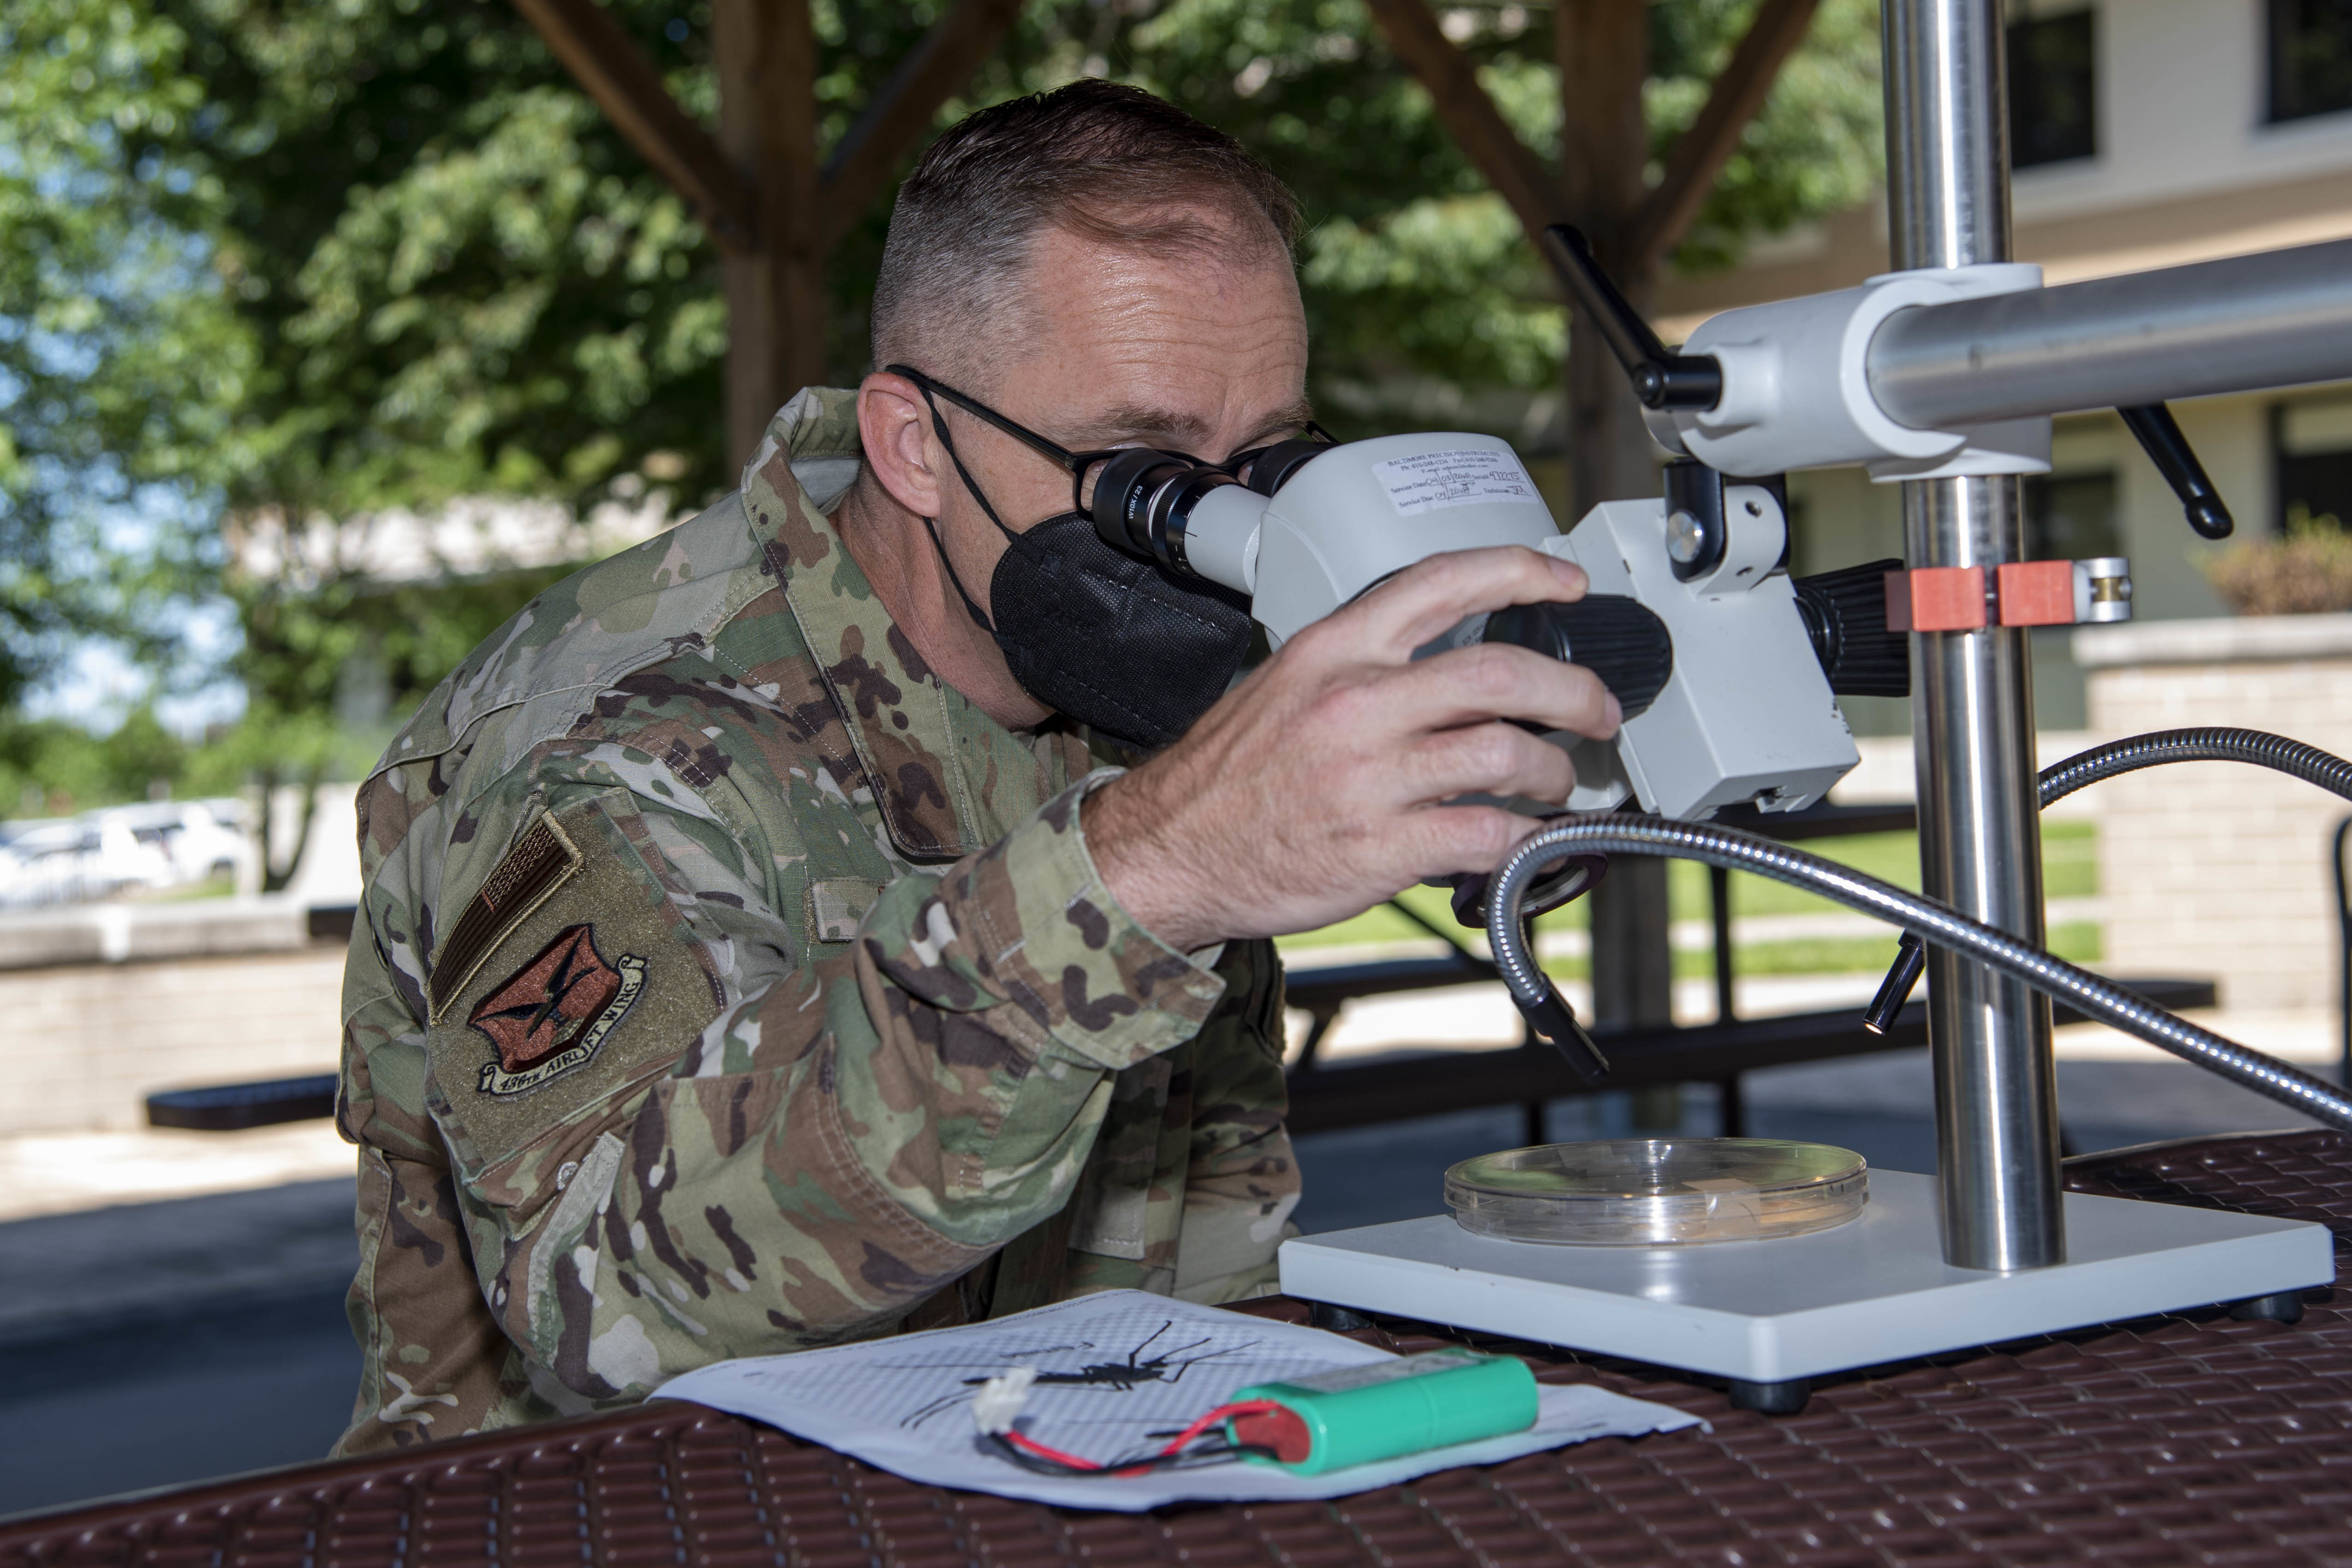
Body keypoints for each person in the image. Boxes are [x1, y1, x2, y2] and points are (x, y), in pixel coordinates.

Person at [332, 80, 1619, 1455]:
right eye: (1146, 469)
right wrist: (1143, 870)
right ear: (914, 444)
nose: (1222, 529)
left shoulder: (1146, 678)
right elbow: (601, 1307)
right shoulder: (616, 745)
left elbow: (1199, 1251)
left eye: (1266, 458)